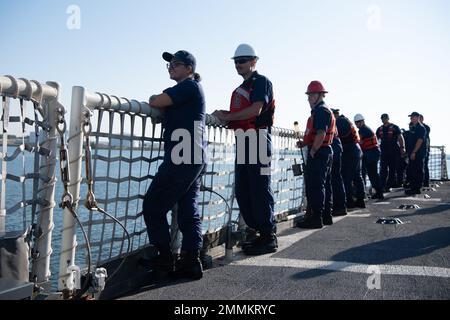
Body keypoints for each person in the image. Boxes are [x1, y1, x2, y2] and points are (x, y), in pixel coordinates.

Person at [141, 50, 207, 280]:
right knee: (188, 209)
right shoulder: (191, 89)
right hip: (193, 155)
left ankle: (165, 258)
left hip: (183, 156)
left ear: (189, 69)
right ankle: (191, 260)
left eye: (176, 64)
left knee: (153, 205)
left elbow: (157, 101)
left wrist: (154, 101)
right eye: (169, 65)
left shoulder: (188, 86)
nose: (171, 68)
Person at [213, 44, 277, 255]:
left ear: (254, 61)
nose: (238, 64)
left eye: (242, 60)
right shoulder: (241, 88)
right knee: (243, 190)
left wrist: (228, 116)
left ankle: (268, 236)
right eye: (236, 61)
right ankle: (259, 233)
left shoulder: (261, 82)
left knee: (260, 187)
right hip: (244, 141)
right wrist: (224, 115)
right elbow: (240, 115)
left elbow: (256, 109)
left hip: (258, 139)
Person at [296, 81, 335, 229]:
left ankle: (315, 218)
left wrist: (313, 150)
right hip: (325, 151)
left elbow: (321, 133)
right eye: (309, 95)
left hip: (319, 152)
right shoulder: (323, 110)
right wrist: (305, 143)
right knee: (323, 185)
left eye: (312, 94)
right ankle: (326, 216)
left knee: (315, 186)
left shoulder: (321, 111)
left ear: (320, 95)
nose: (309, 98)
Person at [333, 109, 366, 209]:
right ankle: (360, 200)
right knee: (357, 176)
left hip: (349, 151)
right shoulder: (346, 120)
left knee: (346, 177)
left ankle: (350, 201)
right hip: (355, 149)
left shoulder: (340, 121)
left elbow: (340, 136)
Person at [354, 114, 384, 200]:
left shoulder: (363, 130)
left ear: (363, 121)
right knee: (372, 174)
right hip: (371, 153)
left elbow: (359, 141)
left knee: (373, 174)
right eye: (356, 122)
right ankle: (378, 192)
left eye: (359, 122)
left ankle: (379, 192)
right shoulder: (365, 129)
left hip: (371, 153)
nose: (357, 124)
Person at [376, 114, 406, 191]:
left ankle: (388, 186)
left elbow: (400, 137)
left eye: (385, 118)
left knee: (392, 170)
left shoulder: (395, 127)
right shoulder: (379, 129)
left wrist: (402, 148)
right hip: (384, 153)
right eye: (382, 118)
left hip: (394, 152)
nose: (383, 119)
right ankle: (382, 186)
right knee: (383, 170)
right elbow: (376, 140)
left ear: (388, 118)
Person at [329, 111, 347, 216]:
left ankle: (338, 206)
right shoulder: (335, 123)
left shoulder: (332, 122)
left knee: (334, 179)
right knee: (337, 178)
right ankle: (340, 206)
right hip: (337, 149)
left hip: (334, 150)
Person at [405, 112, 426, 195]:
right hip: (412, 153)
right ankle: (413, 187)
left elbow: (420, 141)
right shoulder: (413, 127)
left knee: (418, 170)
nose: (411, 118)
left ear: (417, 117)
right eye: (411, 117)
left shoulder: (420, 128)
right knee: (412, 170)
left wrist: (414, 152)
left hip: (418, 153)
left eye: (412, 117)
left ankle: (417, 188)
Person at [419, 114, 431, 187]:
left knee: (425, 165)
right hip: (420, 149)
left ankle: (426, 181)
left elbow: (425, 139)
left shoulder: (425, 127)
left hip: (424, 149)